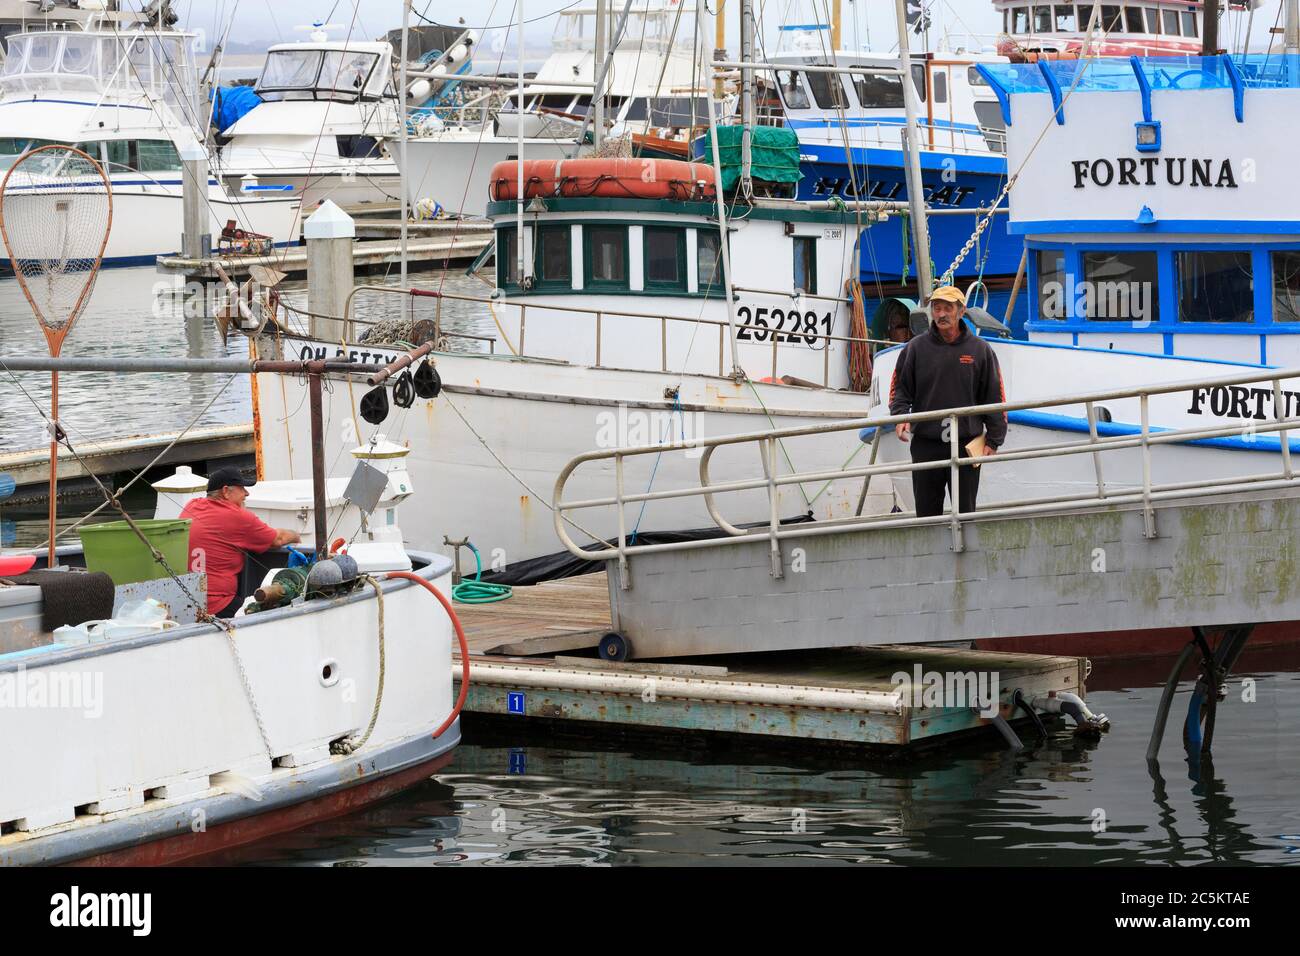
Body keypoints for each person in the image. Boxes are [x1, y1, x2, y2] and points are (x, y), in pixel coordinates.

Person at [888, 285, 1007, 518]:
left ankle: (964, 554)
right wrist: (900, 416)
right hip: (926, 444)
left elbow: (995, 396)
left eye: (948, 309)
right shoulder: (915, 348)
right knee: (927, 515)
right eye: (936, 308)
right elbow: (900, 388)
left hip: (966, 444)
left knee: (965, 515)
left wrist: (994, 439)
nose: (941, 314)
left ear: (961, 312)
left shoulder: (980, 350)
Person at [180, 466, 301, 618]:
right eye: (242, 488)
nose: (246, 493)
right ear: (225, 491)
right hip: (218, 605)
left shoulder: (192, 504)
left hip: (186, 603)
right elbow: (279, 539)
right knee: (277, 610)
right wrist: (296, 536)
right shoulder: (236, 517)